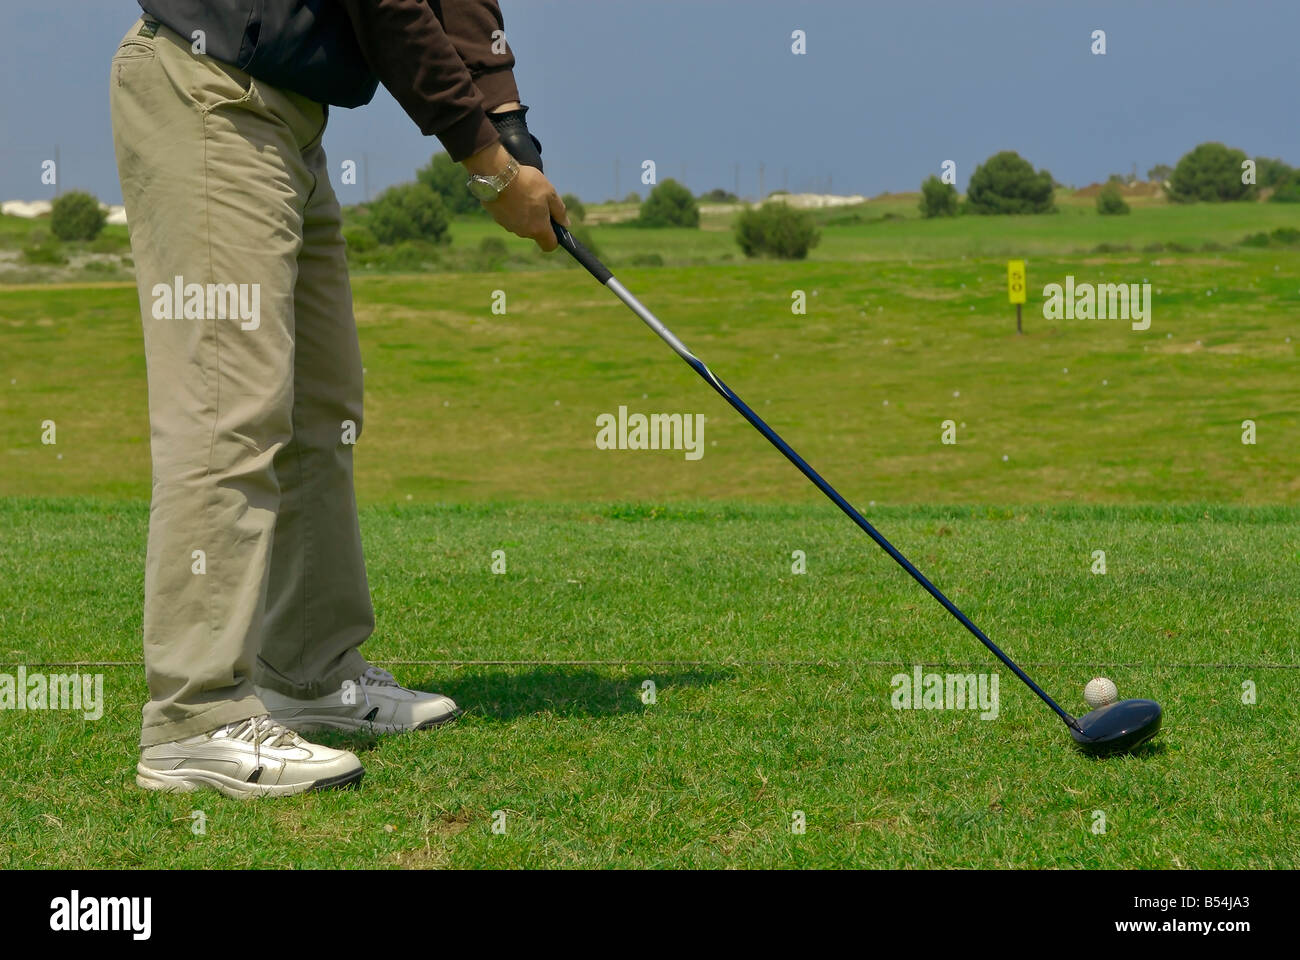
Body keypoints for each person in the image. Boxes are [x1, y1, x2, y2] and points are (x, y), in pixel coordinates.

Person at [110, 0, 567, 798]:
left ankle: (311, 673)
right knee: (229, 408)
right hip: (211, 90)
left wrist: (507, 116)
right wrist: (485, 161)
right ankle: (195, 718)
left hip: (287, 114)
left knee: (322, 409)